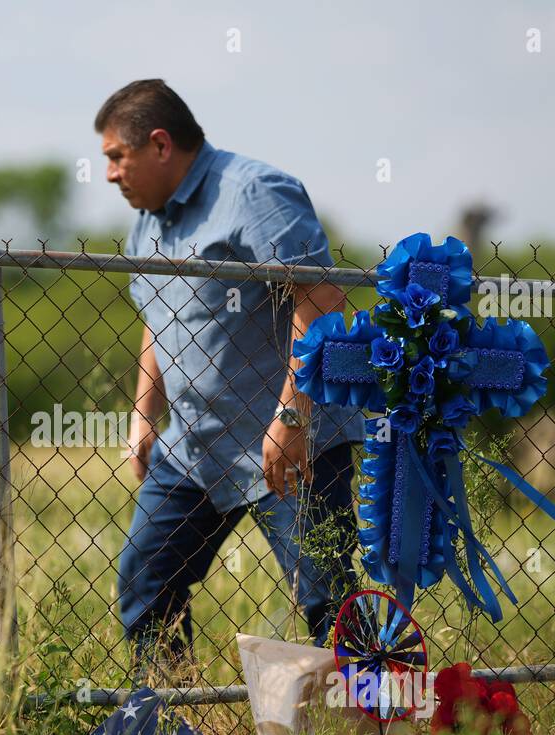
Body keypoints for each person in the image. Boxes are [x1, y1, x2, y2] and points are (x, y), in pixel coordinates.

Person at [97, 79, 362, 678]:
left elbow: (319, 297)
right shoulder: (148, 221)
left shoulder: (253, 192)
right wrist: (145, 415)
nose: (110, 173)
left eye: (117, 156)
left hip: (291, 440)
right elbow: (160, 319)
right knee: (147, 581)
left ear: (160, 145)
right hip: (194, 447)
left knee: (328, 601)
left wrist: (293, 418)